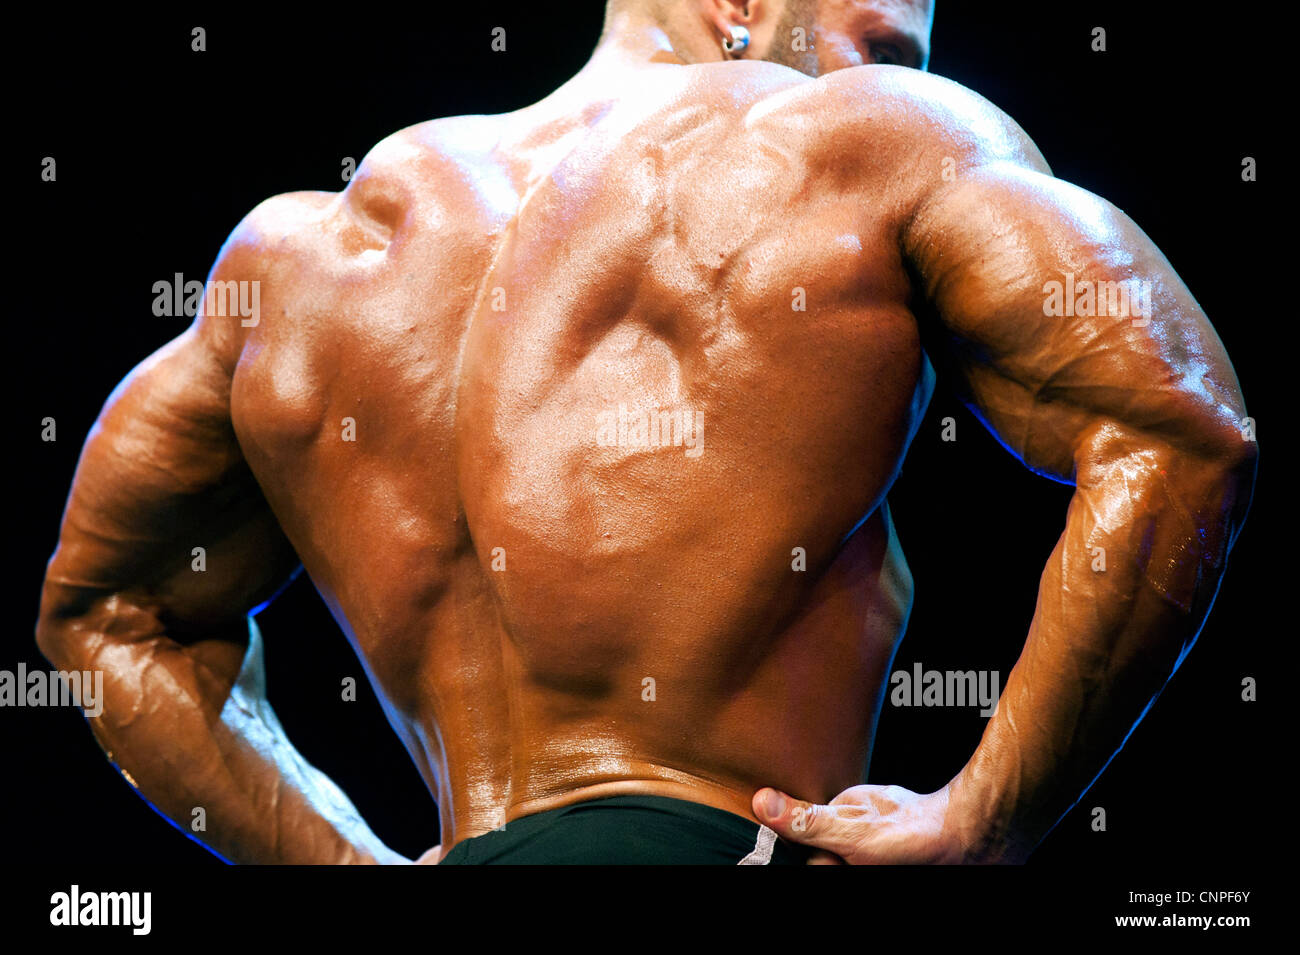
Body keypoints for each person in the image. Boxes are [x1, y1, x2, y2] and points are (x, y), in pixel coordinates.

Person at [35, 0, 1256, 864]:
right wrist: (990, 816)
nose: (894, 72)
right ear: (735, 5)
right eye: (882, 41)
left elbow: (100, 613)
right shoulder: (870, 135)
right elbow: (1186, 424)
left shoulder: (301, 262)